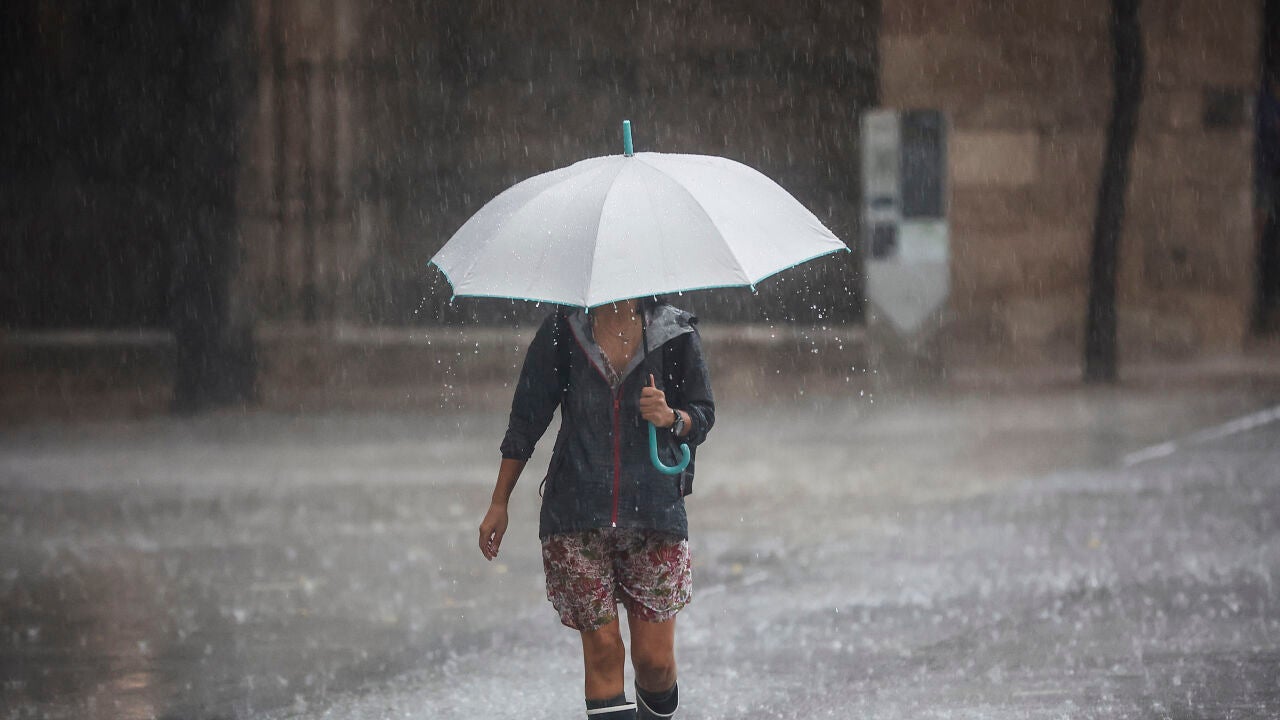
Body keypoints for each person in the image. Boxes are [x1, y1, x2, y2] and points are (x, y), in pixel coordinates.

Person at [479, 297, 715, 720]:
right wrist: (500, 500)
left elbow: (703, 413)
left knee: (655, 664)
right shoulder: (563, 332)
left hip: (654, 512)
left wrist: (672, 417)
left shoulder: (676, 333)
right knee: (604, 650)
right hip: (575, 511)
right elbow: (525, 420)